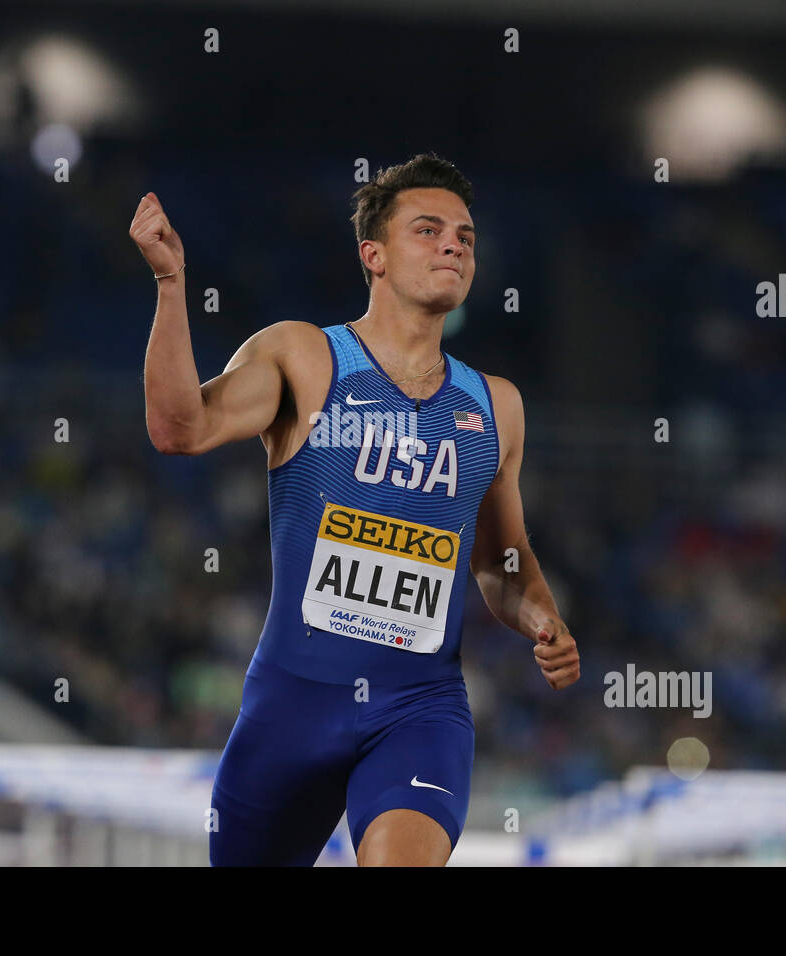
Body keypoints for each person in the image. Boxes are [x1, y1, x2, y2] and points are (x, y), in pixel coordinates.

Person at [132, 153, 578, 866]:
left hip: (419, 707)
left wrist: (539, 616)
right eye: (428, 230)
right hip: (291, 706)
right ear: (372, 254)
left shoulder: (496, 406)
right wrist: (169, 281)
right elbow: (179, 429)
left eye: (465, 236)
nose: (454, 246)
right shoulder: (305, 359)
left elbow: (501, 564)